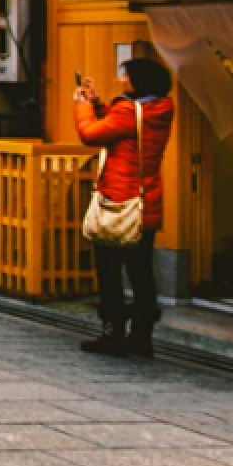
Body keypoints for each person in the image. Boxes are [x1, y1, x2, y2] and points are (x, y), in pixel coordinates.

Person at [75, 57, 176, 358]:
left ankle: (113, 333)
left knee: (108, 270)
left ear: (138, 81)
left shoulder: (128, 111)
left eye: (126, 75)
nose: (122, 79)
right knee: (142, 272)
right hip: (144, 204)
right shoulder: (158, 109)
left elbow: (91, 135)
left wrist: (81, 105)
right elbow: (122, 129)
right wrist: (99, 104)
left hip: (117, 203)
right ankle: (142, 338)